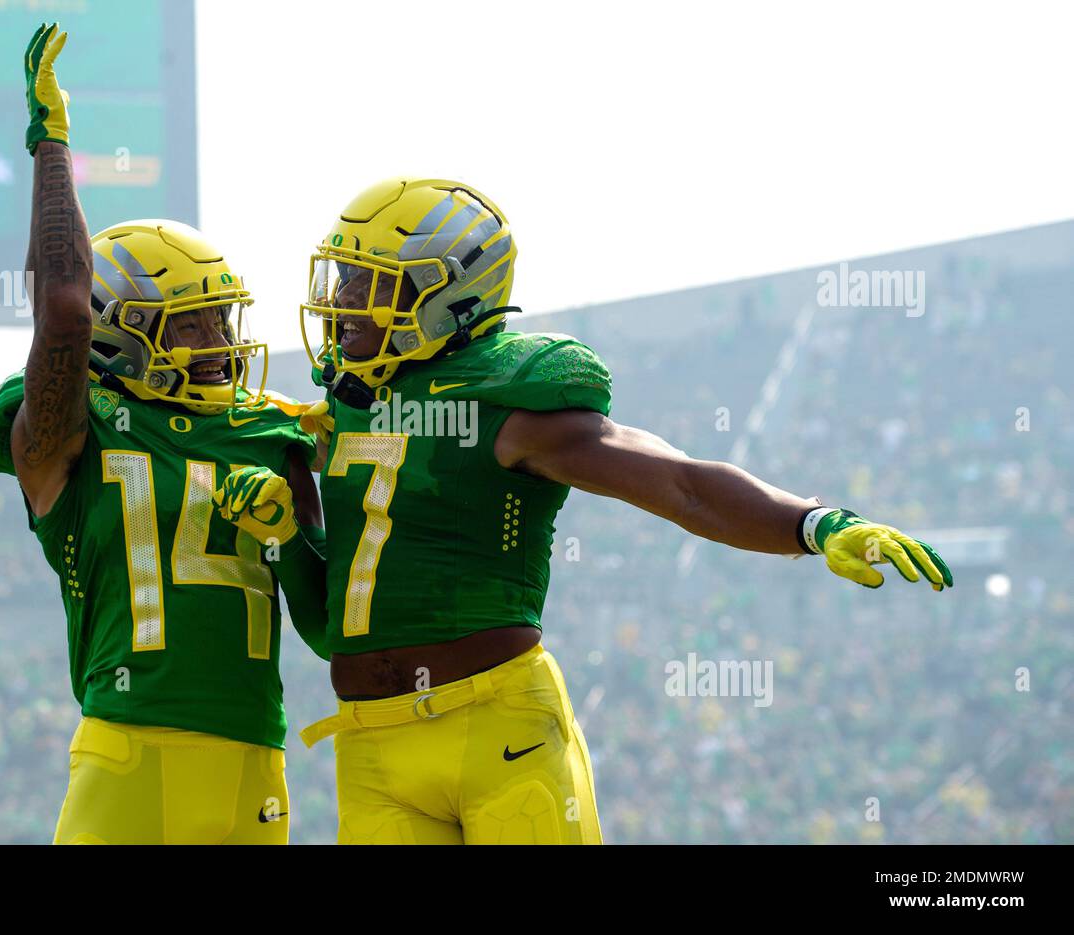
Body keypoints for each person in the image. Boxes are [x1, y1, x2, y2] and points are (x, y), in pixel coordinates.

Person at [212, 180, 953, 845]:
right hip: (369, 745)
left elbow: (684, 485)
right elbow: (333, 623)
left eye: (367, 282)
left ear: (446, 297)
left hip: (496, 731)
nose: (341, 300)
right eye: (343, 277)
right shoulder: (340, 410)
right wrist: (287, 528)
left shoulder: (507, 398)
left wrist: (814, 523)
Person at [0, 23, 324, 844]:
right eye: (193, 325)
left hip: (254, 767)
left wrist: (291, 531)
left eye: (220, 320)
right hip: (129, 752)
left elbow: (329, 630)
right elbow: (64, 308)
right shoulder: (70, 431)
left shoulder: (270, 430)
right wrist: (52, 142)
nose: (221, 345)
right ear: (122, 334)